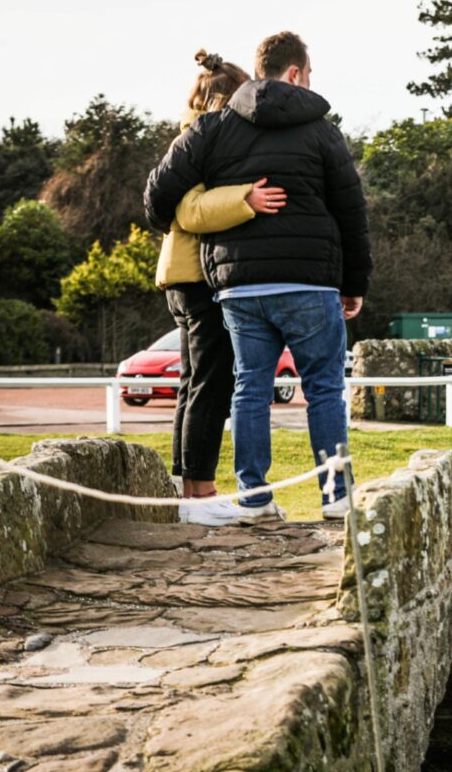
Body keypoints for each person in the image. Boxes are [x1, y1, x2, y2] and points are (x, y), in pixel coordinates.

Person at [145, 31, 370, 521]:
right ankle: (335, 499)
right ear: (294, 73)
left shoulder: (212, 129)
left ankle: (255, 499)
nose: (310, 84)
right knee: (325, 388)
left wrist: (199, 220)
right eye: (309, 75)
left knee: (249, 388)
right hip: (310, 281)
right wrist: (355, 284)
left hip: (239, 286)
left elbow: (156, 198)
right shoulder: (321, 130)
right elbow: (351, 212)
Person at [155, 49, 289, 527]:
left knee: (195, 384)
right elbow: (192, 212)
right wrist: (246, 198)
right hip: (196, 276)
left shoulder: (193, 140)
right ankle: (202, 494)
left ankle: (188, 490)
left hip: (183, 274)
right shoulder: (198, 143)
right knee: (211, 384)